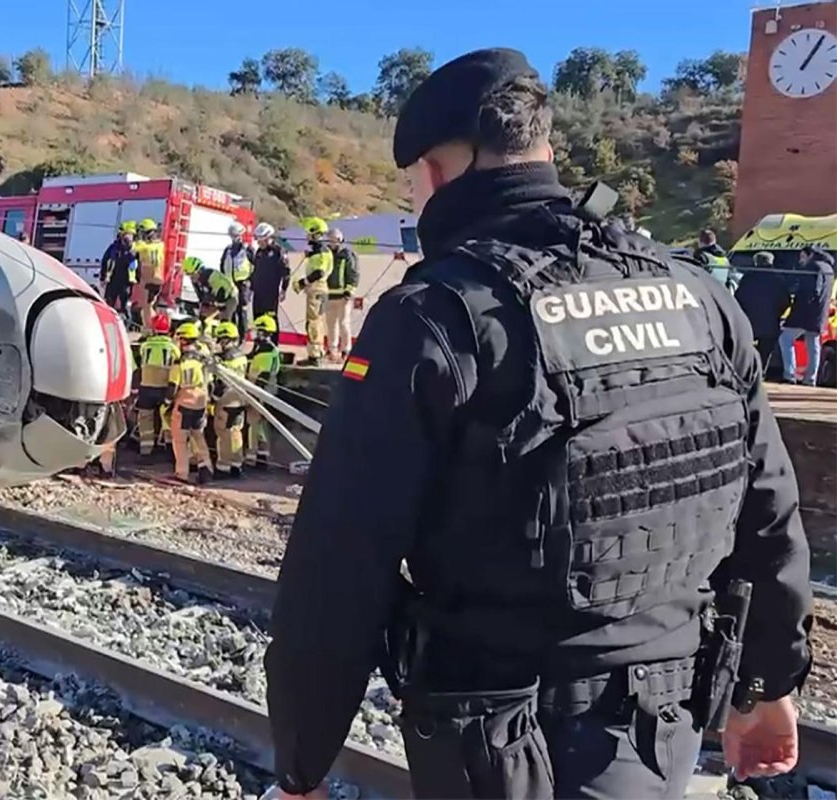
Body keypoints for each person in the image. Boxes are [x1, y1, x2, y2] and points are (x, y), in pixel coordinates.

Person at [263, 48, 813, 800]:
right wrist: (765, 685)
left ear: (436, 172)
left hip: (500, 741)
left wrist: (301, 761)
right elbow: (769, 510)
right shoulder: (697, 298)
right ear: (542, 148)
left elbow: (338, 566)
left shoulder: (433, 317)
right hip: (669, 724)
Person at [778, 244, 835, 386]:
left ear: (810, 255)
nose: (800, 260)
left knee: (785, 339)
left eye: (802, 256)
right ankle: (810, 379)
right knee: (813, 345)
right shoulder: (829, 269)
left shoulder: (813, 267)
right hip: (819, 314)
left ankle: (789, 375)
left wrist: (796, 306)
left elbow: (811, 291)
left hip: (805, 313)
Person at [167, 320, 213, 485]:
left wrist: (166, 403)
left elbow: (172, 387)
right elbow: (211, 383)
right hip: (201, 403)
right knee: (198, 437)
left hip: (184, 404)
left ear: (184, 340)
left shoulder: (180, 363)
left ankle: (182, 474)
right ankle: (206, 468)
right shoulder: (204, 361)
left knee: (180, 440)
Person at [734, 251, 791, 373]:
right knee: (765, 352)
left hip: (749, 321)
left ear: (756, 262)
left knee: (745, 348)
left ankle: (745, 372)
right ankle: (760, 374)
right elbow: (786, 300)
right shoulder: (779, 278)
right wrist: (777, 313)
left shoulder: (748, 277)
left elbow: (738, 297)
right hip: (770, 322)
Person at [134, 312, 180, 458]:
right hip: (164, 388)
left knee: (145, 418)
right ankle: (169, 450)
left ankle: (146, 450)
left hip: (146, 387)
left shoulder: (146, 346)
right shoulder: (173, 348)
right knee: (166, 418)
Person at [292, 218, 334, 367]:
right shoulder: (321, 251)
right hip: (319, 289)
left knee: (313, 322)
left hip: (317, 289)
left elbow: (319, 272)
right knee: (318, 322)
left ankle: (314, 355)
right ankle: (317, 352)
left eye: (309, 234)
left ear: (315, 234)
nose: (307, 237)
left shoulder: (321, 252)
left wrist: (302, 283)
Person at [210, 321, 249, 479]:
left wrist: (213, 398)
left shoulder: (225, 360)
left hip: (226, 401)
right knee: (235, 433)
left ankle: (223, 468)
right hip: (240, 400)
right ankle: (236, 465)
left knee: (224, 435)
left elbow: (222, 383)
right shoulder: (242, 356)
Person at [245, 313, 282, 470]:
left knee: (254, 425)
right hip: (266, 391)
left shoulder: (266, 352)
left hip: (261, 392)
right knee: (260, 426)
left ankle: (253, 458)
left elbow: (263, 375)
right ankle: (262, 455)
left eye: (258, 331)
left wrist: (254, 393)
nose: (255, 335)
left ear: (264, 332)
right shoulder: (265, 349)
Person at [251, 223, 290, 343]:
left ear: (268, 238)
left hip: (271, 293)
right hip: (258, 292)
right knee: (258, 319)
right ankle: (259, 344)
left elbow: (286, 272)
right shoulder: (258, 252)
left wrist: (284, 289)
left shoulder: (279, 251)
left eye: (261, 240)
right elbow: (256, 270)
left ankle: (273, 345)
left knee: (271, 319)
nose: (259, 243)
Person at [324, 228, 359, 362]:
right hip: (329, 295)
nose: (332, 243)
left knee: (344, 323)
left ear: (340, 240)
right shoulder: (326, 254)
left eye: (334, 240)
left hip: (343, 296)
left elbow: (353, 274)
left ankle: (346, 349)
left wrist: (349, 291)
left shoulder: (347, 255)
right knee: (330, 324)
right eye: (330, 240)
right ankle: (332, 350)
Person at [220, 222, 256, 342]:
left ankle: (243, 337)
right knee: (231, 310)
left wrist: (250, 281)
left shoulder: (248, 249)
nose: (234, 238)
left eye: (236, 235)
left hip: (243, 284)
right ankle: (233, 335)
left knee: (242, 310)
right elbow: (222, 265)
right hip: (230, 284)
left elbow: (255, 266)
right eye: (232, 235)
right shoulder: (228, 250)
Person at [100, 221, 138, 323]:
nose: (127, 238)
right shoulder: (115, 247)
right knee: (109, 303)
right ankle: (106, 322)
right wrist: (103, 277)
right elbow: (105, 260)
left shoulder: (136, 249)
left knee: (124, 306)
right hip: (113, 279)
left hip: (127, 281)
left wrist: (138, 279)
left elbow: (139, 266)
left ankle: (127, 326)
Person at [183, 256, 239, 323]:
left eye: (192, 274)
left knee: (224, 319)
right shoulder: (195, 280)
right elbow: (201, 296)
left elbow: (221, 291)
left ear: (199, 271)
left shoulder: (211, 276)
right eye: (188, 275)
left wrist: (220, 308)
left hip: (229, 296)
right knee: (202, 318)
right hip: (215, 296)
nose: (191, 278)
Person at [133, 218, 165, 331]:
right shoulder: (161, 245)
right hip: (158, 279)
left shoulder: (144, 247)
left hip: (148, 280)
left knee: (146, 307)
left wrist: (136, 238)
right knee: (149, 306)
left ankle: (149, 329)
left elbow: (132, 248)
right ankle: (157, 326)